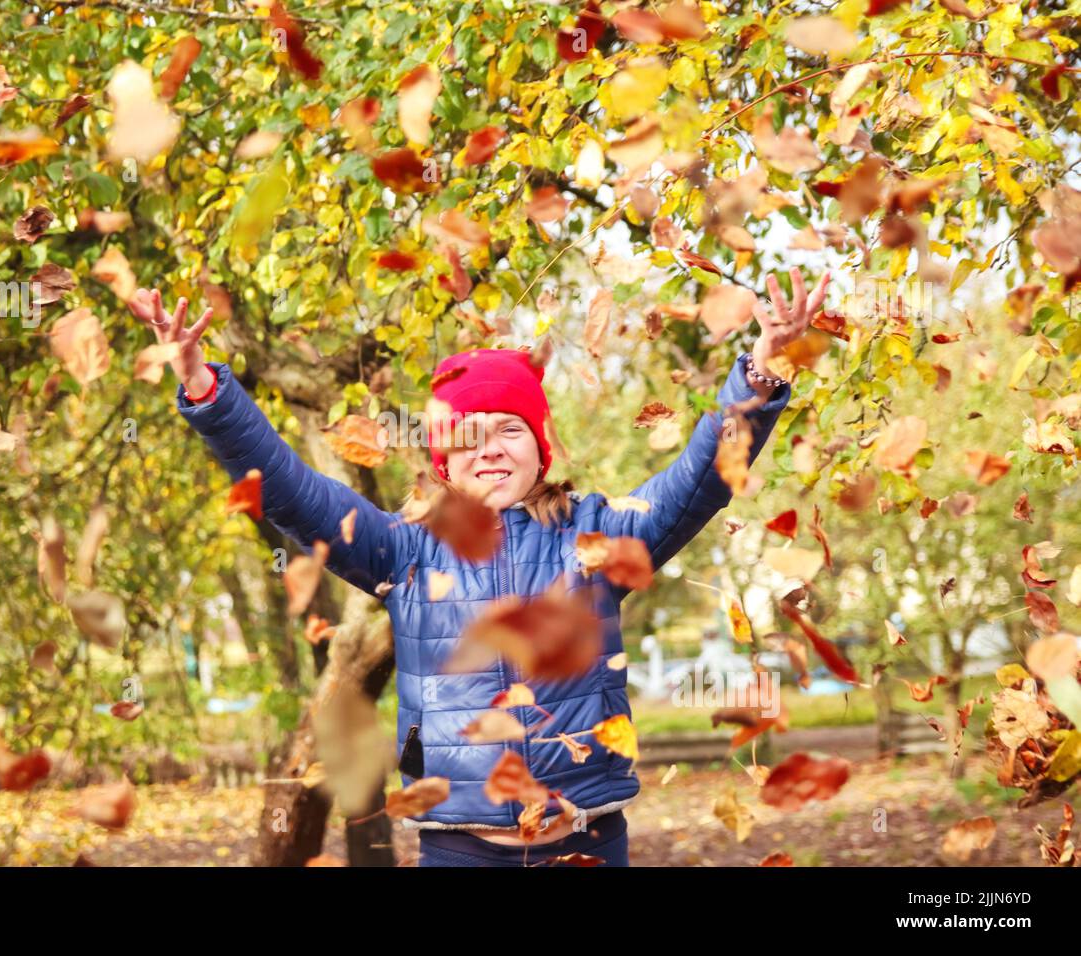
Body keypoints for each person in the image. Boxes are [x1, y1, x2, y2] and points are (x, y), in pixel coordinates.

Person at [129, 267, 829, 866]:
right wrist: (206, 390)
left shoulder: (598, 536)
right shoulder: (403, 550)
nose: (489, 448)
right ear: (443, 462)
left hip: (585, 840)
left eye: (508, 430)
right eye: (467, 437)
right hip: (460, 850)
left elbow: (701, 476)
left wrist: (761, 372)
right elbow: (291, 491)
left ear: (540, 447)